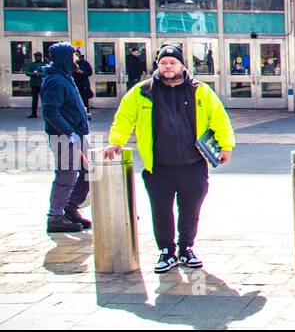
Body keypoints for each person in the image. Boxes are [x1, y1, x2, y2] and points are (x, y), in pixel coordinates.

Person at [104, 43, 235, 273]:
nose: (168, 67)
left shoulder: (200, 91)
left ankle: (186, 248)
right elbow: (124, 117)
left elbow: (220, 119)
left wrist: (226, 146)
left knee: (190, 209)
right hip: (158, 167)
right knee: (161, 210)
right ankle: (166, 251)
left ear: (182, 65)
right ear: (158, 65)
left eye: (172, 62)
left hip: (193, 164)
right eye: (163, 63)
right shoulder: (142, 91)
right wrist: (116, 140)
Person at [40, 43, 92, 234]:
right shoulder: (55, 80)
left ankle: (70, 207)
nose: (76, 58)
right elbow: (49, 111)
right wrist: (68, 131)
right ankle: (56, 217)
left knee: (89, 171)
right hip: (64, 137)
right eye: (73, 55)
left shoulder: (65, 77)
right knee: (66, 175)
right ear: (64, 57)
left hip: (77, 133)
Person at [24, 52, 46, 119]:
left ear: (40, 57)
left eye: (37, 56)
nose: (36, 57)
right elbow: (27, 72)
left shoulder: (43, 64)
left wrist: (39, 74)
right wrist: (33, 73)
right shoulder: (31, 64)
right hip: (34, 84)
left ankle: (46, 113)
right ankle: (34, 113)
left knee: (44, 99)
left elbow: (46, 73)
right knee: (34, 99)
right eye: (35, 56)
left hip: (42, 83)